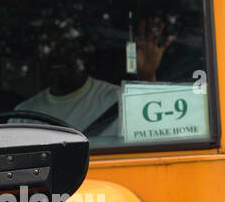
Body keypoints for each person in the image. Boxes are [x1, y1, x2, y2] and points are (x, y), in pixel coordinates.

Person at [16, 15, 173, 136]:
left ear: (84, 52)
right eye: (49, 49)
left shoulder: (118, 100)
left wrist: (147, 77)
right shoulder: (23, 116)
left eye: (66, 48)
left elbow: (156, 131)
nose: (57, 55)